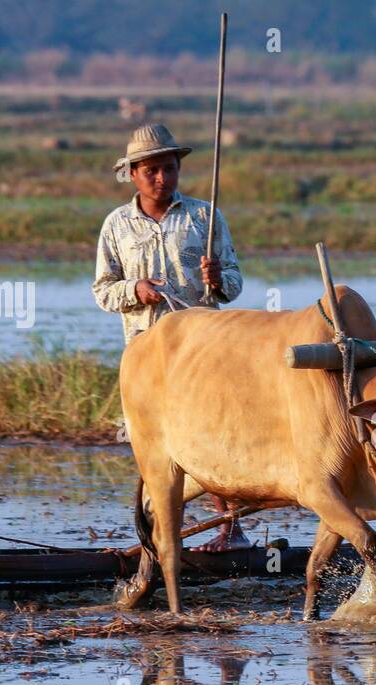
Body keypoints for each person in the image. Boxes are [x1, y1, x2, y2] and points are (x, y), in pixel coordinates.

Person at [95, 123, 248, 550]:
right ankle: (161, 533)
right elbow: (103, 290)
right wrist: (136, 290)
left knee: (208, 438)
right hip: (147, 355)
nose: (162, 179)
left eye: (169, 169)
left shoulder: (205, 216)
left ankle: (231, 529)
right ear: (131, 174)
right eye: (151, 171)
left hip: (202, 352)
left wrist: (217, 280)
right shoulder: (117, 226)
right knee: (154, 442)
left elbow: (234, 283)